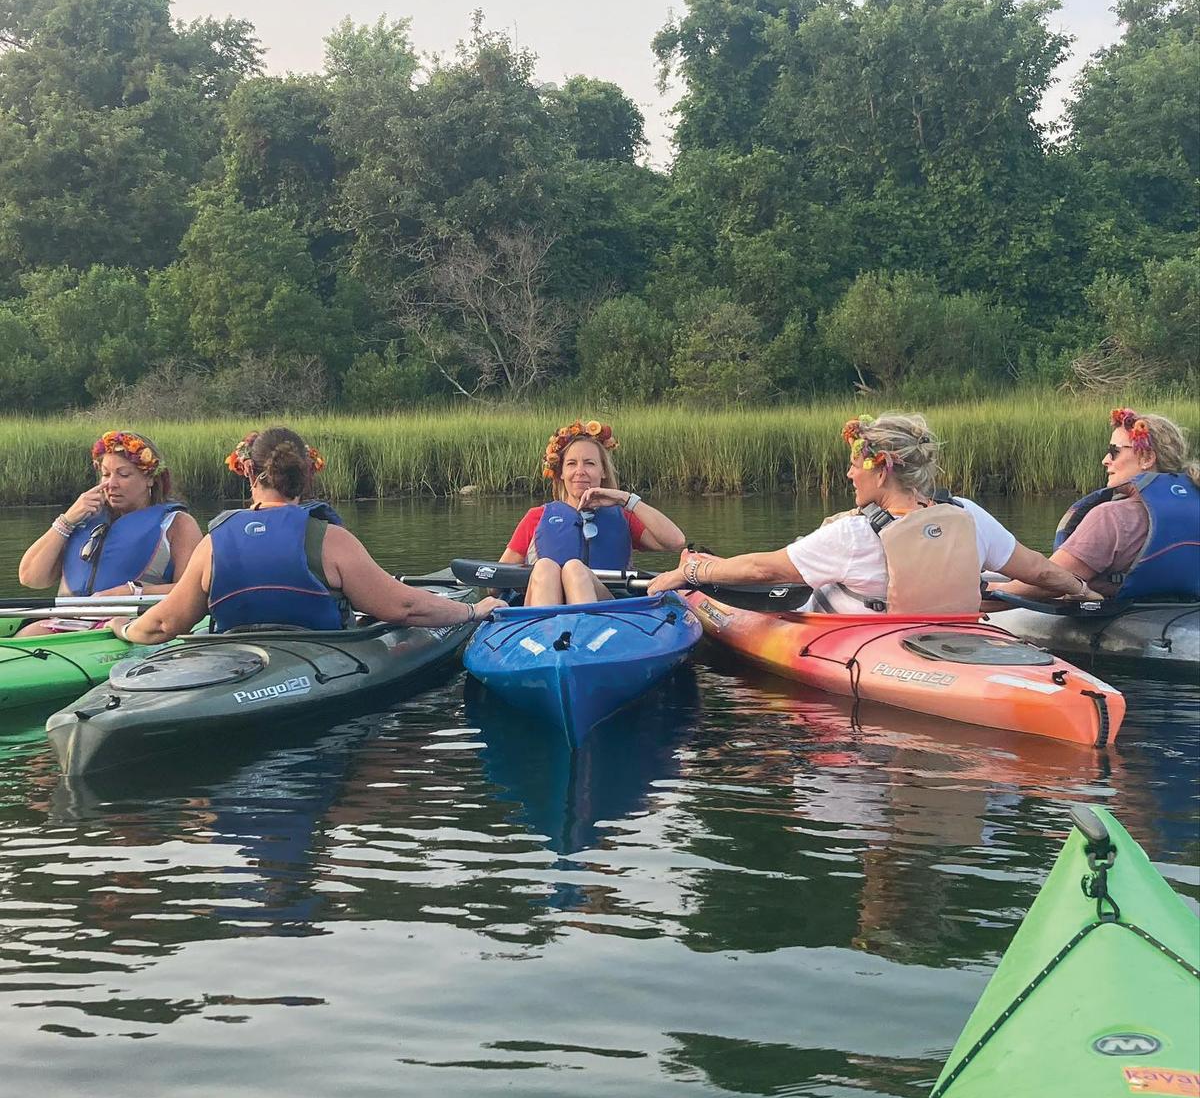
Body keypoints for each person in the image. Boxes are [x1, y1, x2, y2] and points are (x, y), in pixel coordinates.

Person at [648, 412, 1098, 613]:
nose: (848, 474)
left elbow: (763, 570)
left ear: (880, 471)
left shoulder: (852, 534)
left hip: (876, 648)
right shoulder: (968, 515)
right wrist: (1083, 592)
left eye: (852, 464)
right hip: (958, 638)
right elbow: (1040, 570)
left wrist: (692, 573)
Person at [108, 426, 505, 645]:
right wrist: (472, 611)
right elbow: (406, 608)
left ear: (248, 472)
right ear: (308, 473)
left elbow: (162, 626)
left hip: (235, 660)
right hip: (320, 659)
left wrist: (121, 628)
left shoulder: (213, 543)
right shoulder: (329, 539)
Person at [996, 408, 1200, 602]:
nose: (1105, 460)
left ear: (1146, 458)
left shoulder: (1110, 517)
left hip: (1117, 620)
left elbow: (1047, 580)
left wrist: (988, 593)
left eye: (1114, 451)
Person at [16, 429, 202, 636]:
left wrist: (134, 592)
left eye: (123, 475)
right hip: (68, 622)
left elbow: (194, 591)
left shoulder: (177, 524)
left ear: (150, 478)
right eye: (105, 474)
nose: (111, 484)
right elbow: (31, 578)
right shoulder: (83, 520)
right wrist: (66, 520)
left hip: (133, 625)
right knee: (27, 634)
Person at [499, 419, 687, 605]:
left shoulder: (623, 516)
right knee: (545, 567)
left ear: (603, 471)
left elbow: (675, 541)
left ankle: (583, 628)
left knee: (574, 569)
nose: (580, 471)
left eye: (589, 463)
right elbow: (496, 584)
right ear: (561, 472)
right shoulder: (537, 517)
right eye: (572, 464)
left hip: (606, 606)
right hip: (544, 604)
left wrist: (626, 499)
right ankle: (546, 629)